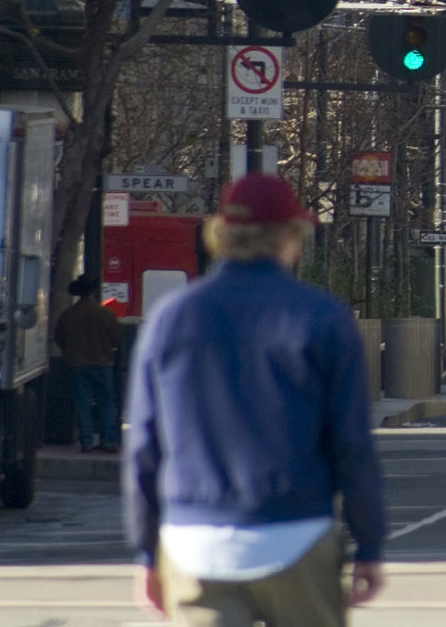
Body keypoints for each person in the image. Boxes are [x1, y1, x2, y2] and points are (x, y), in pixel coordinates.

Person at [125, 174, 385, 625]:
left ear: (220, 233)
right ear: (290, 236)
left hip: (193, 538)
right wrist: (370, 544)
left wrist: (146, 550)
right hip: (296, 529)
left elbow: (144, 446)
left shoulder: (171, 318)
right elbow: (351, 444)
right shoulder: (321, 317)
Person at [53, 273, 123, 453]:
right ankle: (108, 441)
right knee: (107, 402)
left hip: (77, 364)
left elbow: (60, 339)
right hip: (103, 363)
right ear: (93, 291)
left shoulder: (68, 315)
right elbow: (116, 339)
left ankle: (86, 441)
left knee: (82, 403)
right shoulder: (106, 314)